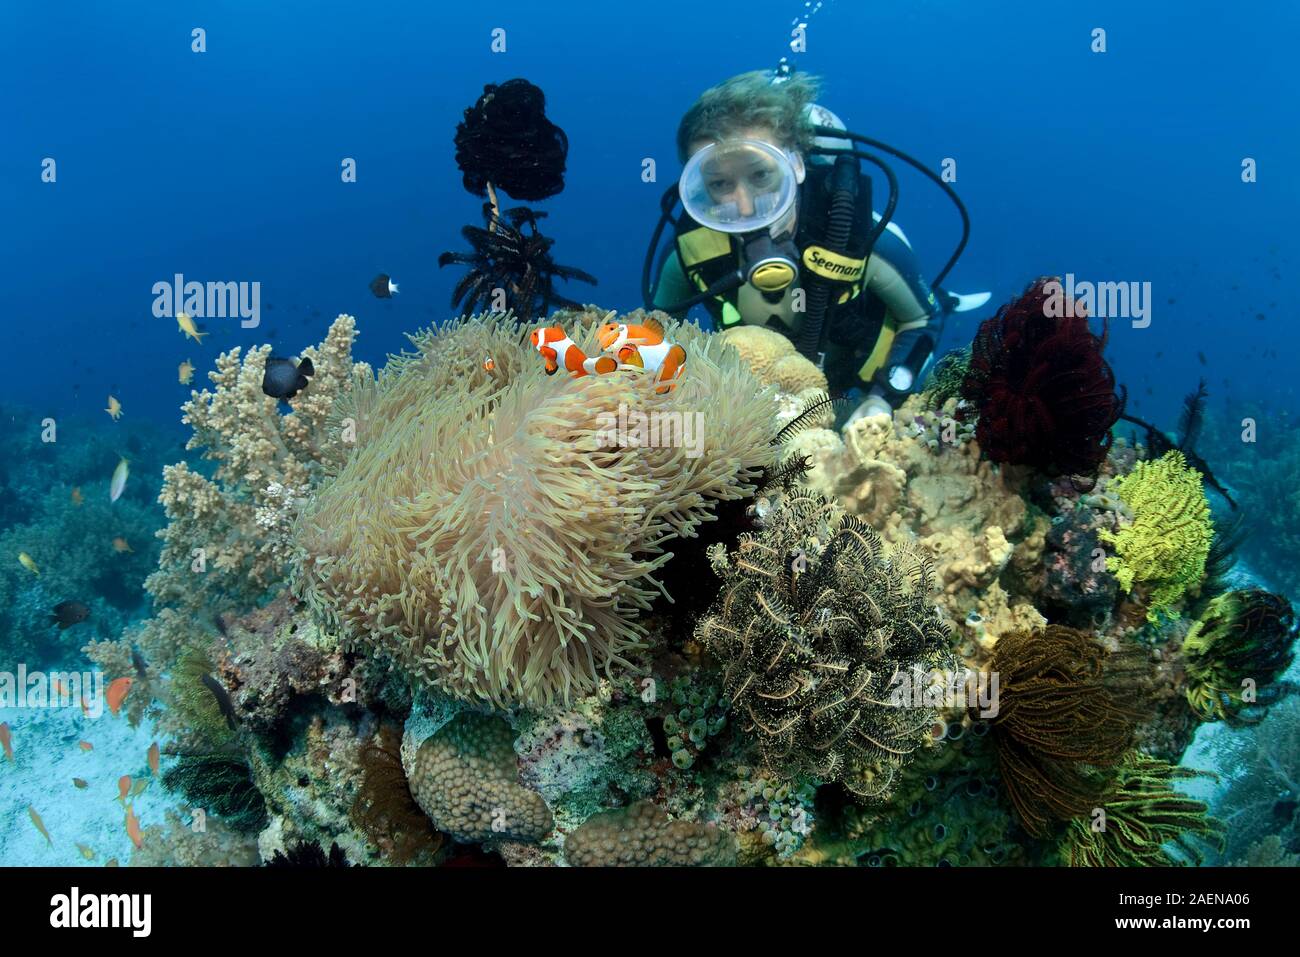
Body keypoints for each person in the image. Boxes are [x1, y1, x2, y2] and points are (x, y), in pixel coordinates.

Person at [645, 70, 986, 421]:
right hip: (754, 401)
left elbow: (921, 319)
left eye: (761, 175)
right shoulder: (689, 251)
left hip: (859, 375)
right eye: (719, 184)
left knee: (931, 306)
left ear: (795, 164)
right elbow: (656, 333)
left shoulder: (857, 234)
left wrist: (884, 397)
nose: (745, 207)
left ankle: (947, 297)